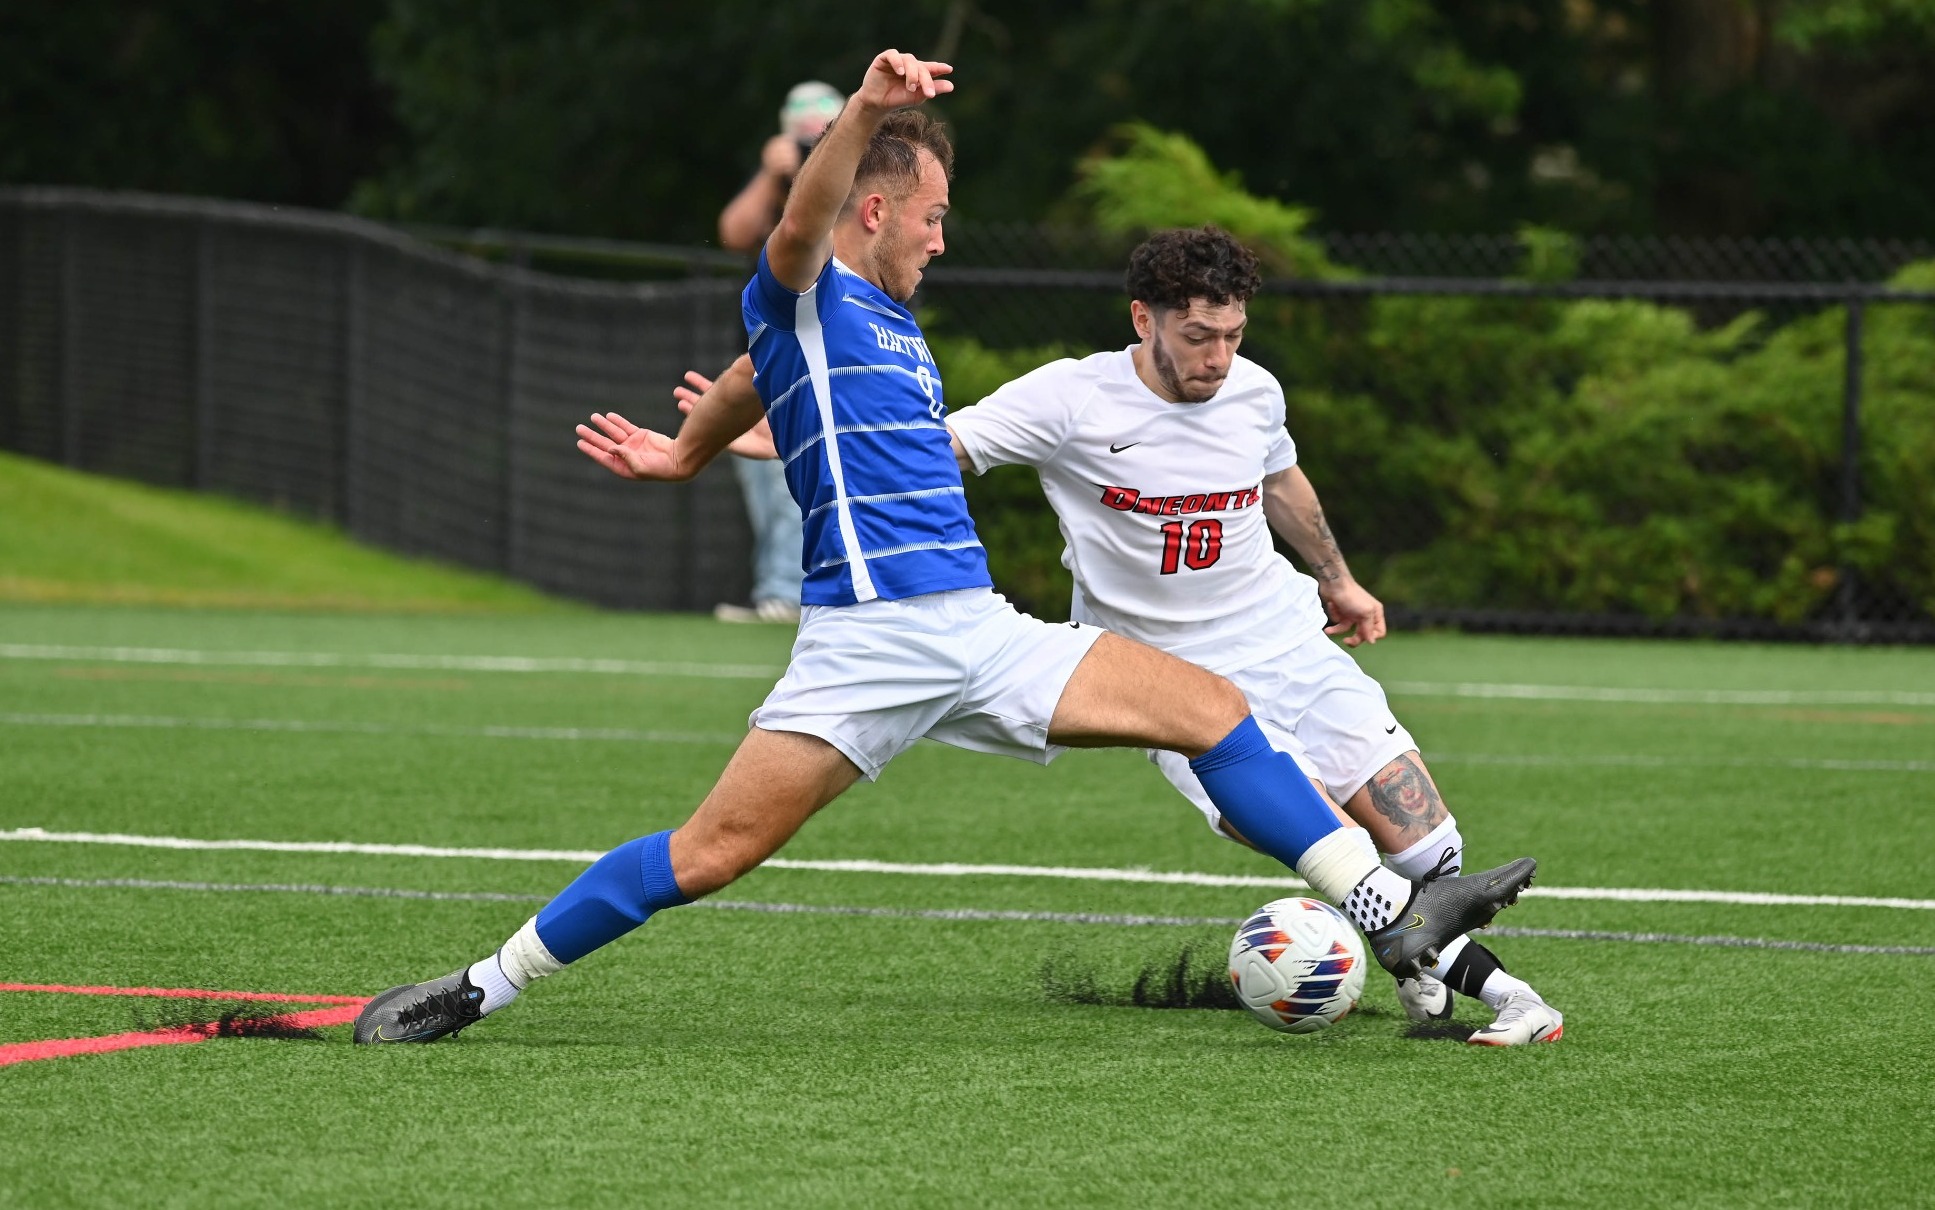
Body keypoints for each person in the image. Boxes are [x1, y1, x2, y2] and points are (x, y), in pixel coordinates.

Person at [352, 50, 1535, 1046]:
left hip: (976, 626)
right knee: (708, 853)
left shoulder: (888, 327)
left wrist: (687, 453)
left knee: (1214, 710)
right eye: (932, 216)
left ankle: (1396, 919)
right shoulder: (810, 284)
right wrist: (869, 110)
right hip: (867, 645)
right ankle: (479, 986)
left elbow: (749, 376)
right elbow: (792, 241)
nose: (941, 238)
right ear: (874, 210)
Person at [673, 228, 1563, 1045]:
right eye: (1198, 336)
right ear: (1144, 319)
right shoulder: (1069, 398)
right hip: (1169, 686)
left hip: (1287, 641)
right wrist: (791, 438)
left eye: (1232, 335)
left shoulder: (1254, 392)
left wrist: (1336, 578)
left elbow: (1282, 483)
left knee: (1429, 845)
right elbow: (926, 453)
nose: (1218, 357)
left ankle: (1420, 980)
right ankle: (1507, 997)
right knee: (1346, 853)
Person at [710, 82, 846, 623]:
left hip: (815, 356)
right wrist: (773, 174)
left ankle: (787, 593)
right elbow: (733, 231)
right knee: (761, 480)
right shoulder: (775, 183)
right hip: (760, 360)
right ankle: (774, 589)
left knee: (796, 475)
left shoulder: (853, 181)